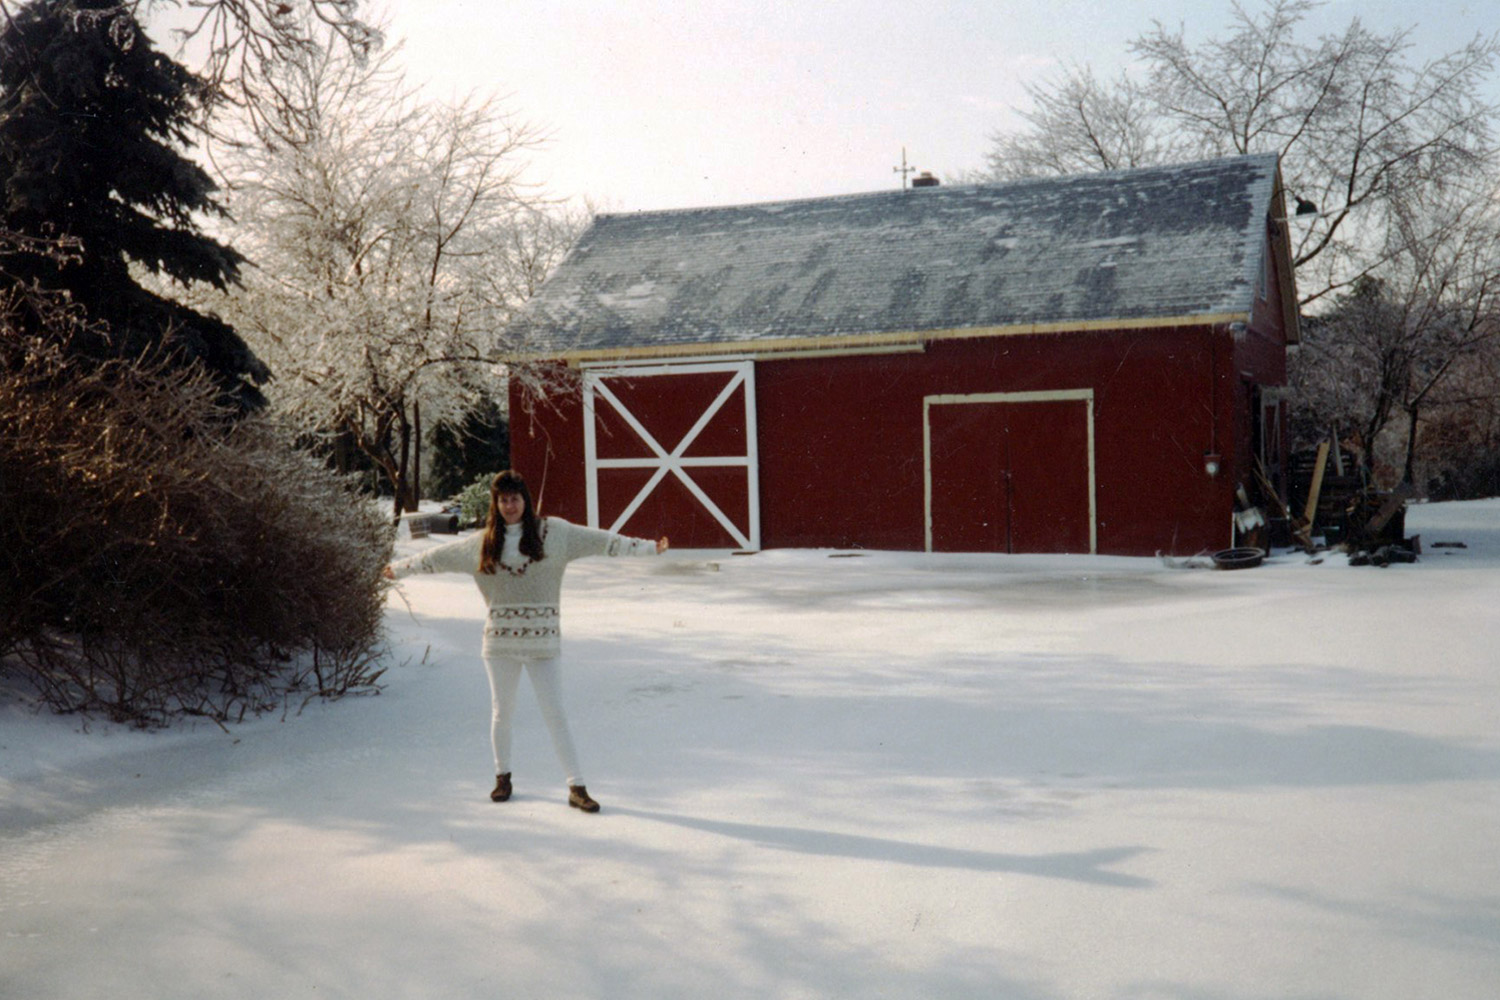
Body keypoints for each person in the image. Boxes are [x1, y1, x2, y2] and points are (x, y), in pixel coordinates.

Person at [384, 470, 668, 812]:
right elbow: (435, 558)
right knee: (502, 713)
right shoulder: (481, 543)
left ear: (525, 500)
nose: (509, 506)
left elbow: (603, 542)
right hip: (499, 644)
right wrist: (399, 569)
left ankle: (576, 786)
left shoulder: (556, 533)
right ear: (496, 503)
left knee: (555, 714)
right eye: (503, 500)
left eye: (515, 498)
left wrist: (649, 549)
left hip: (542, 643)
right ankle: (502, 777)